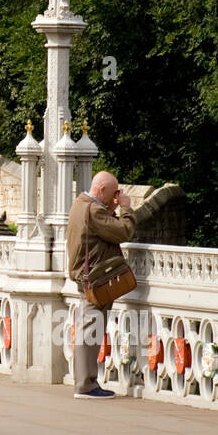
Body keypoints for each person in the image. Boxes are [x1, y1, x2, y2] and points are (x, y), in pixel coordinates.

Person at [66, 170, 135, 399]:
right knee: (90, 331)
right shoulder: (93, 210)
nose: (115, 197)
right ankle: (85, 385)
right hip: (95, 280)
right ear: (101, 189)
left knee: (88, 329)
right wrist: (125, 207)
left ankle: (85, 382)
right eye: (113, 193)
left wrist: (112, 209)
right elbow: (124, 231)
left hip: (87, 277)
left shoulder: (80, 204)